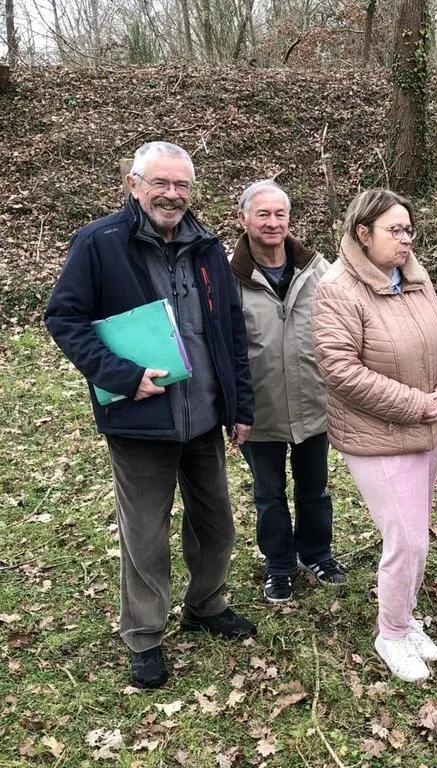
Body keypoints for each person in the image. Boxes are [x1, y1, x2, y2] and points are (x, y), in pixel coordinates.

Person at [44, 141, 257, 690]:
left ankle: (205, 606)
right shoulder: (100, 244)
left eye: (181, 185)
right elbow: (64, 318)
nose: (172, 195)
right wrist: (118, 376)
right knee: (146, 536)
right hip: (141, 422)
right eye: (160, 183)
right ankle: (144, 636)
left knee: (217, 528)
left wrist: (240, 406)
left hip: (206, 418)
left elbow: (232, 333)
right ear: (134, 185)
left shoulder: (208, 247)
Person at [312, 188, 437, 683]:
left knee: (414, 535)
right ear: (363, 233)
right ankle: (392, 633)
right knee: (407, 539)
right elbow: (341, 371)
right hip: (376, 436)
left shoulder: (415, 277)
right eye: (394, 231)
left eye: (408, 230)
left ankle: (406, 617)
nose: (406, 240)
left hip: (425, 429)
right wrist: (421, 404)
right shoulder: (337, 289)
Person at [231, 180, 345, 604]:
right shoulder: (229, 276)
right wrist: (231, 407)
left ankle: (316, 553)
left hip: (314, 402)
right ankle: (278, 564)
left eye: (280, 214)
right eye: (262, 214)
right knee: (268, 493)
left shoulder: (318, 269)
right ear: (242, 218)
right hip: (258, 410)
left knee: (315, 488)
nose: (273, 222)